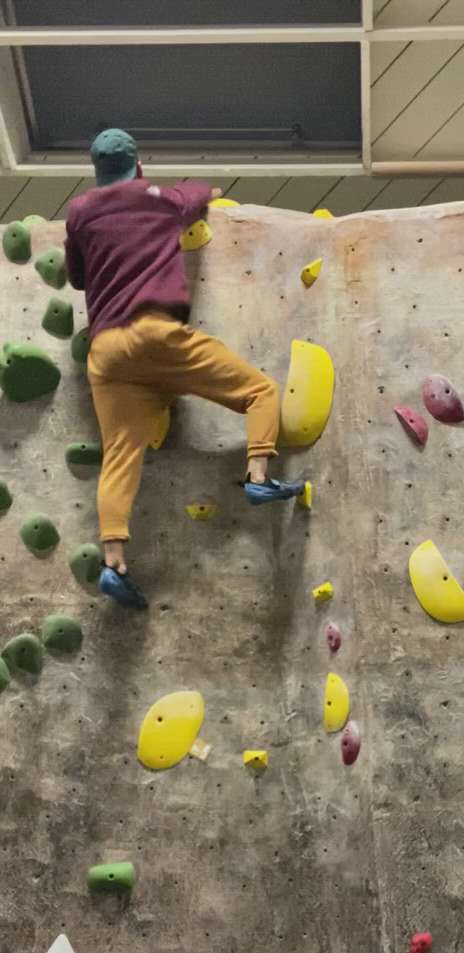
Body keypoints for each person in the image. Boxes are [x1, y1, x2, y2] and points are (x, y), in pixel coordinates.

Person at [65, 127, 304, 609]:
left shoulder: (79, 212)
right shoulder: (161, 199)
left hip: (107, 350)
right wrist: (201, 195)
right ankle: (258, 475)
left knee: (120, 455)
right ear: (138, 165)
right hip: (157, 334)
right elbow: (201, 194)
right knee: (259, 392)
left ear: (97, 172)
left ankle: (114, 563)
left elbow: (76, 278)